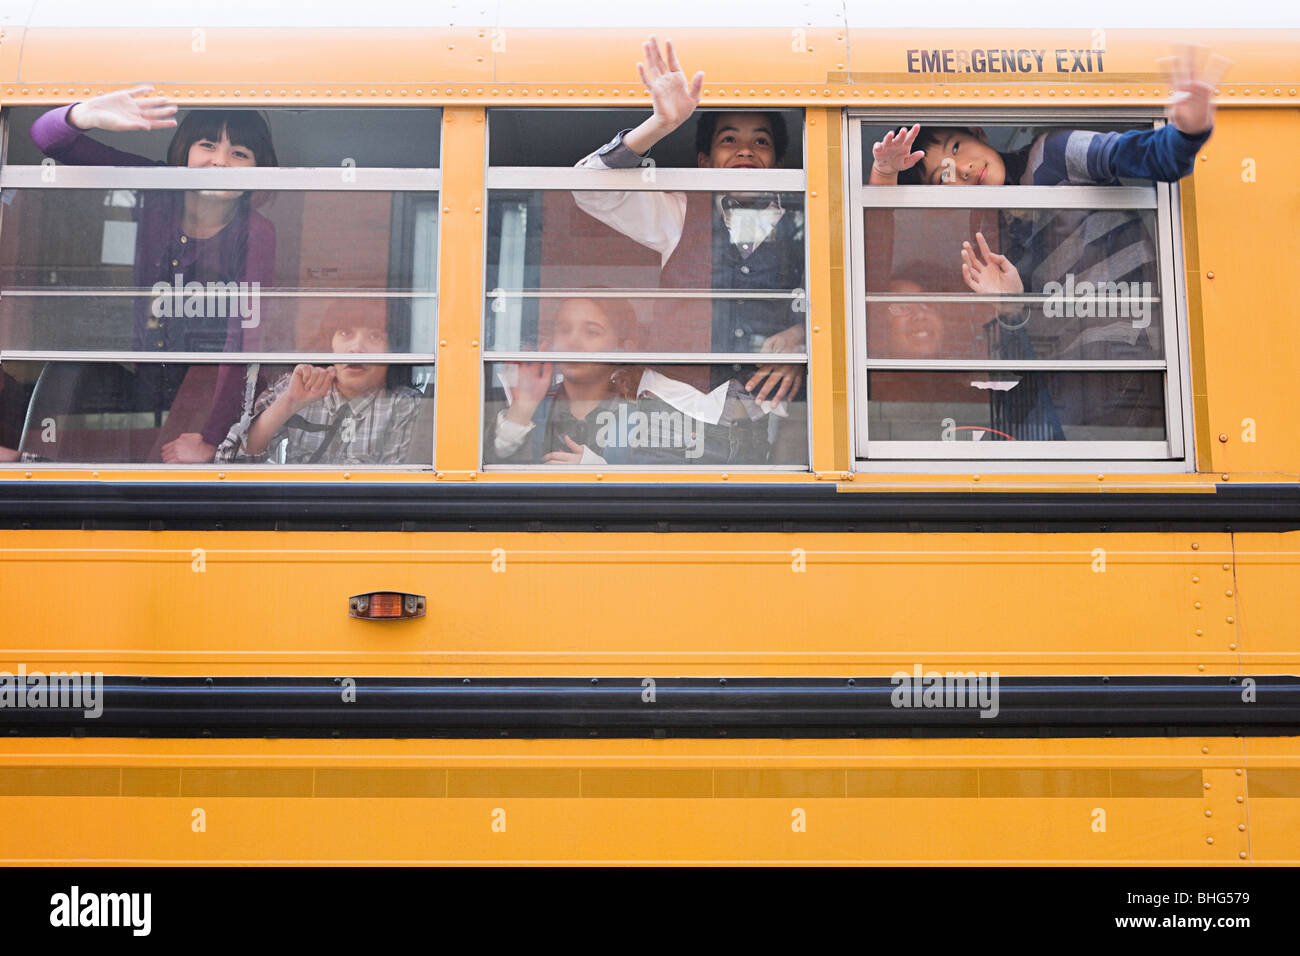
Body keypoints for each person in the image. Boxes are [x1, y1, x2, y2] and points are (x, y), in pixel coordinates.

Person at [571, 36, 806, 463]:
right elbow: (589, 192)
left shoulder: (803, 224)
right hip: (670, 414)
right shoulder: (680, 212)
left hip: (759, 427)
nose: (745, 151)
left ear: (780, 166)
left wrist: (804, 338)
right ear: (704, 162)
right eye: (729, 140)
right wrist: (660, 123)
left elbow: (852, 289)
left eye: (761, 142)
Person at [30, 86, 277, 463]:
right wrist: (85, 114)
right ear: (185, 150)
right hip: (140, 381)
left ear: (259, 172)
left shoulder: (255, 231)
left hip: (210, 391)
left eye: (239, 153)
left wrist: (214, 438)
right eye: (208, 145)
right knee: (67, 371)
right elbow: (48, 140)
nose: (221, 162)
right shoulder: (156, 189)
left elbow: (244, 340)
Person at [868, 47, 1225, 297]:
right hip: (1073, 367)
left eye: (957, 148)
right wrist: (1013, 303)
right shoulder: (993, 232)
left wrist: (1185, 133)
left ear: (978, 132)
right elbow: (873, 260)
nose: (961, 170)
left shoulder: (1054, 153)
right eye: (942, 176)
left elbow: (1136, 155)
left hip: (1135, 345)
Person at [215, 301, 420, 464]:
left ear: (394, 350)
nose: (356, 349)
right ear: (328, 343)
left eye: (375, 336)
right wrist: (289, 403)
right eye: (345, 333)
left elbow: (397, 490)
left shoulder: (404, 405)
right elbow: (227, 463)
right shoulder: (297, 386)